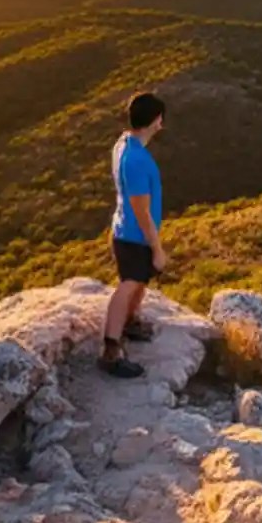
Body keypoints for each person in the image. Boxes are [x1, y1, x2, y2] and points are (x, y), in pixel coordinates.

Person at [98, 92, 166, 379]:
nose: (162, 123)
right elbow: (140, 209)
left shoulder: (124, 143)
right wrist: (157, 247)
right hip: (133, 234)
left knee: (139, 280)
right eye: (161, 118)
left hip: (126, 229)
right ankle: (110, 351)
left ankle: (130, 323)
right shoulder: (137, 159)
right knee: (129, 284)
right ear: (154, 121)